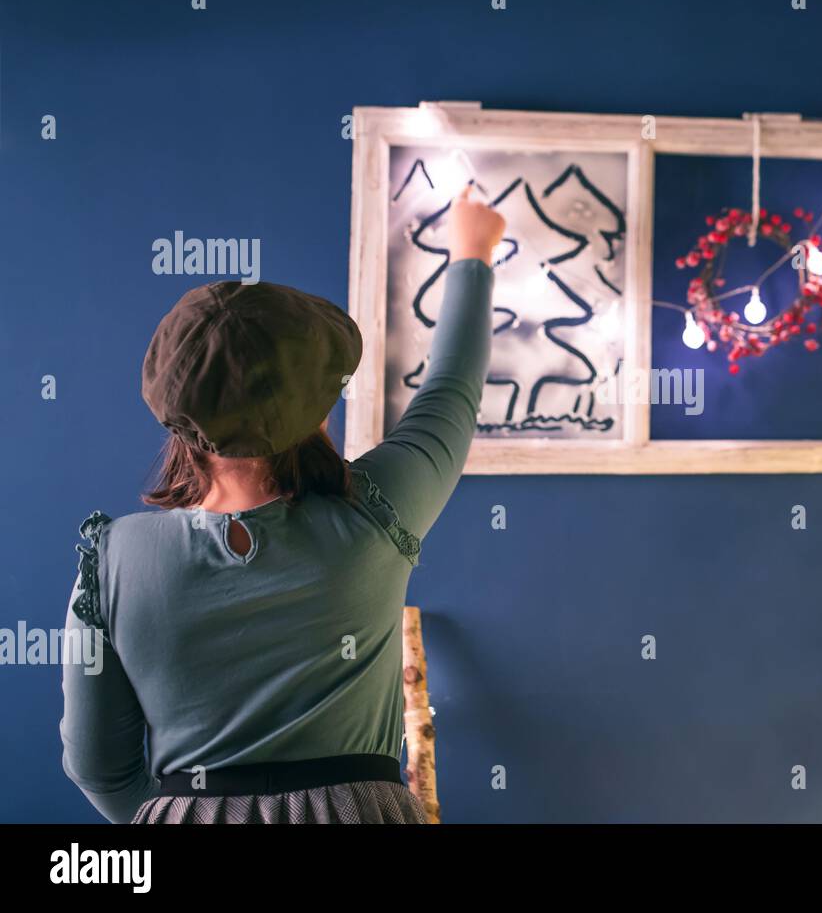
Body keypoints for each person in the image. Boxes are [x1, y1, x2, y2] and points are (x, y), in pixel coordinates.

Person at [60, 188, 505, 823]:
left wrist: (195, 812)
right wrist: (472, 249)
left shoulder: (111, 560)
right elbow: (452, 392)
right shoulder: (375, 514)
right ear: (321, 409)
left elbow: (94, 764)